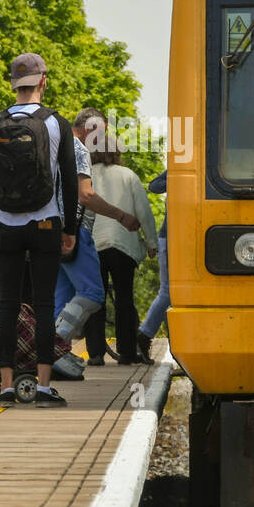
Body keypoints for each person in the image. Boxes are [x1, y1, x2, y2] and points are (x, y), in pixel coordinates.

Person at [0, 53, 78, 407]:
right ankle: (45, 387)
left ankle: (6, 387)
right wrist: (70, 227)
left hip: (6, 224)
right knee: (45, 304)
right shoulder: (56, 124)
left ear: (12, 84)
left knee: (7, 304)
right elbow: (68, 181)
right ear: (43, 82)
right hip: (47, 222)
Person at [54, 108, 141, 345]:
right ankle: (56, 343)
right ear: (90, 129)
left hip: (49, 229)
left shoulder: (55, 144)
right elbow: (86, 196)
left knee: (60, 298)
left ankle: (53, 360)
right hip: (75, 229)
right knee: (93, 293)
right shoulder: (79, 149)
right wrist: (121, 216)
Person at [84, 136, 159, 365]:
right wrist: (151, 243)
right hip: (123, 245)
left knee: (93, 298)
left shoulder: (84, 177)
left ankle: (95, 354)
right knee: (124, 299)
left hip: (92, 244)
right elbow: (143, 211)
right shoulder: (128, 176)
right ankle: (126, 352)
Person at [136, 169, 169, 362]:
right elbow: (154, 186)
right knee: (168, 292)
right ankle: (145, 333)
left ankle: (146, 334)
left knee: (170, 292)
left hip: (179, 236)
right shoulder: (178, 169)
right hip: (170, 236)